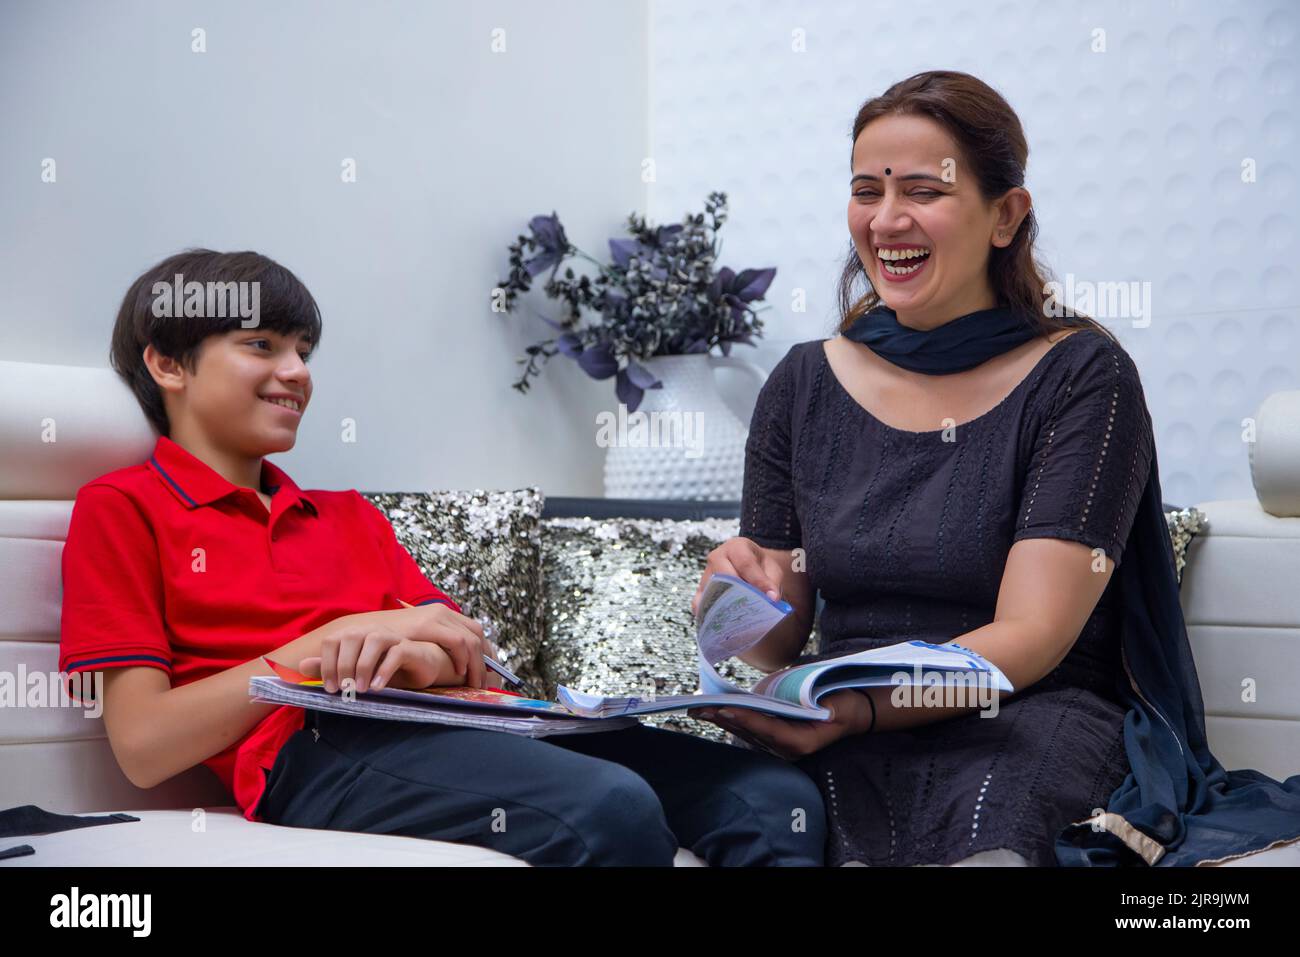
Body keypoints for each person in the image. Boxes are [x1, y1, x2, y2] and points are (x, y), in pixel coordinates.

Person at [687, 70, 1300, 867]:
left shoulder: (1083, 377)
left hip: (1022, 714)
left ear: (1006, 215)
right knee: (761, 825)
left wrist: (862, 709)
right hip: (839, 715)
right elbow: (776, 642)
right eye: (866, 190)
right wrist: (739, 595)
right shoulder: (802, 384)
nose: (887, 219)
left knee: (995, 832)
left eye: (921, 191)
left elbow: (1031, 636)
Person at [59, 248, 826, 867]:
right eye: (262, 345)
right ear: (169, 365)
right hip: (310, 750)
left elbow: (468, 657)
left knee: (766, 793)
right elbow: (143, 745)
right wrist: (311, 654)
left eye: (302, 350)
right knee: (607, 809)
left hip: (470, 720)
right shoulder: (123, 507)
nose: (297, 372)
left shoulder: (346, 514)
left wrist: (422, 658)